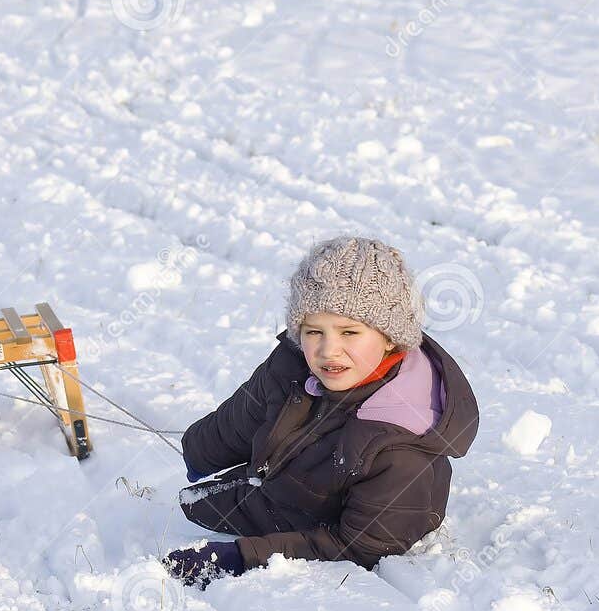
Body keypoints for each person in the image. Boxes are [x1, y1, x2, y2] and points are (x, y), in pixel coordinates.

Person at [161, 236, 479, 588]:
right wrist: (198, 451)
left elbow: (356, 547)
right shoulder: (295, 363)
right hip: (281, 488)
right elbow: (243, 415)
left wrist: (242, 556)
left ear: (390, 337)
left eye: (349, 332)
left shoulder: (401, 446)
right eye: (315, 331)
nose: (329, 350)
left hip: (318, 532)